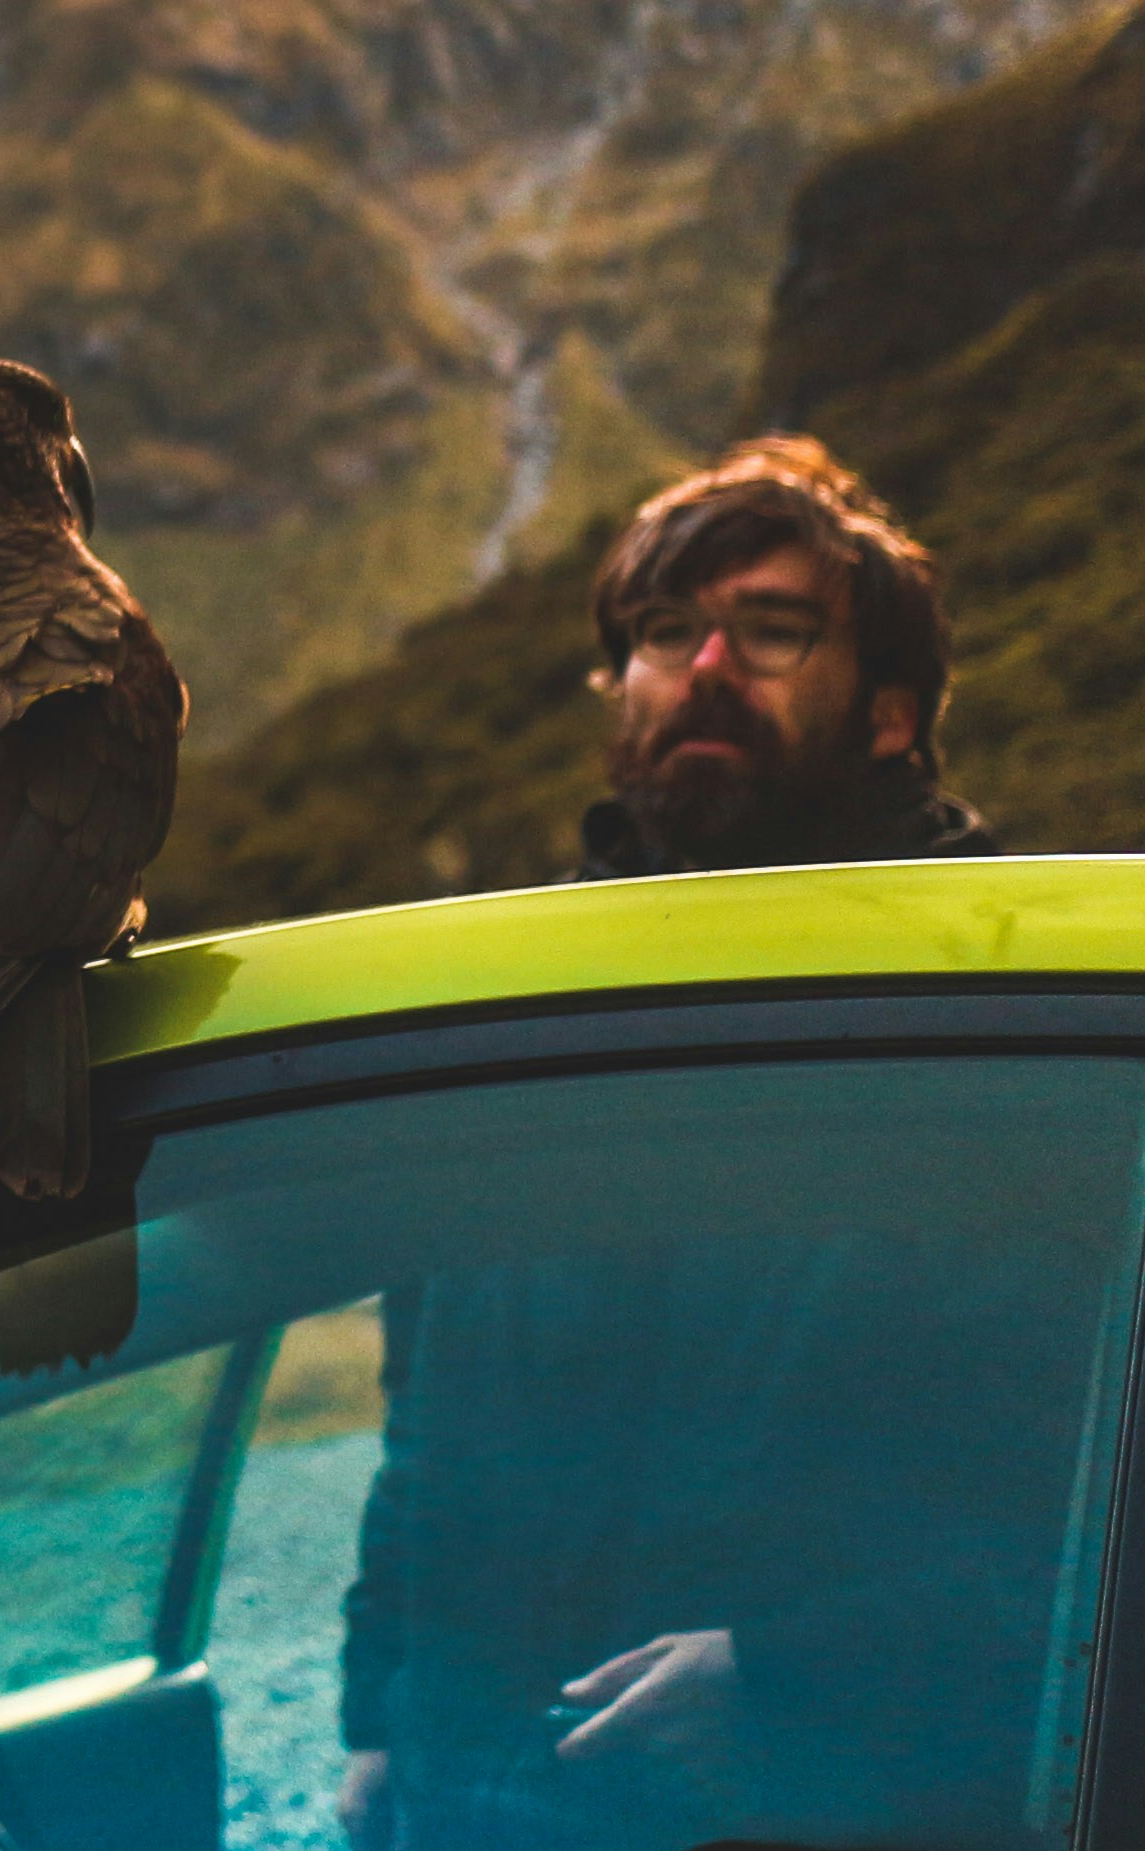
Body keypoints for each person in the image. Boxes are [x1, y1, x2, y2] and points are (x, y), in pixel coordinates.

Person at [334, 439, 1014, 1851]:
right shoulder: (520, 1014)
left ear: (889, 717)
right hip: (489, 1802)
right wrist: (377, 1724)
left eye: (769, 632)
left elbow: (1105, 1494)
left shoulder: (993, 1023)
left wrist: (789, 1690)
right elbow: (429, 1427)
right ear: (618, 687)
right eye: (662, 634)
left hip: (804, 1813)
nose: (705, 666)